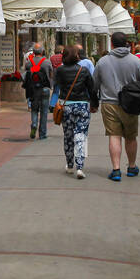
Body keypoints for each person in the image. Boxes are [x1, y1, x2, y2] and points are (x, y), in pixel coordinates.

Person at [93, 31, 140, 181]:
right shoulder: (135, 61)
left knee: (114, 135)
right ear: (126, 42)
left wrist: (93, 100)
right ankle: (132, 167)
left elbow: (94, 84)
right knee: (131, 136)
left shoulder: (103, 61)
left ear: (112, 43)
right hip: (130, 103)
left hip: (109, 103)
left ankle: (116, 169)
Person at [53, 46, 96, 179]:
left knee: (68, 136)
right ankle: (80, 167)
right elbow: (92, 89)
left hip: (66, 106)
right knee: (81, 135)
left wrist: (53, 103)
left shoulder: (59, 70)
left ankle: (70, 165)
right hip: (82, 105)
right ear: (77, 56)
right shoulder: (83, 71)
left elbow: (56, 87)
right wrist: (95, 104)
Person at [23, 42, 53, 140]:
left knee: (34, 109)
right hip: (44, 89)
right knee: (44, 112)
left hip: (33, 90)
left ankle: (34, 124)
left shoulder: (29, 63)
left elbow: (26, 73)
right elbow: (51, 75)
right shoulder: (47, 62)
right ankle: (42, 134)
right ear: (42, 51)